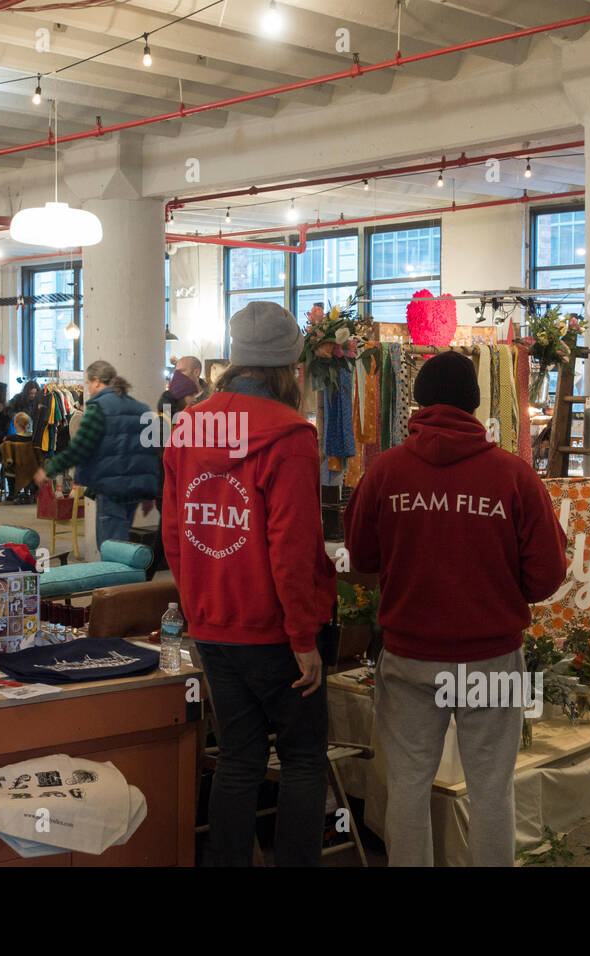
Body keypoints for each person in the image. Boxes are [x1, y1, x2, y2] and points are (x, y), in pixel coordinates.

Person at [343, 351, 568, 866]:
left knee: (407, 786)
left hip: (409, 656)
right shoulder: (513, 476)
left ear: (417, 402)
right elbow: (547, 575)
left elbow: (359, 556)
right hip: (491, 657)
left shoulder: (385, 473)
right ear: (476, 403)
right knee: (492, 789)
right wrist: (495, 589)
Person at [162, 301, 336, 867]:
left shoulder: (189, 424)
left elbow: (174, 531)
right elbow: (292, 547)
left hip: (212, 622)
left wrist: (195, 604)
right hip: (273, 630)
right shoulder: (291, 434)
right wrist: (304, 636)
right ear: (290, 366)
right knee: (304, 758)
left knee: (238, 757)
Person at [34, 360, 159, 547]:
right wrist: (150, 492)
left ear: (97, 382)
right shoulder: (140, 408)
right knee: (123, 542)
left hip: (110, 487)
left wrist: (49, 469)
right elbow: (150, 453)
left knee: (110, 546)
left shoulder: (98, 408)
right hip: (134, 490)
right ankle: (126, 574)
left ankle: (120, 575)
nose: (89, 389)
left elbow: (80, 447)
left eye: (89, 383)